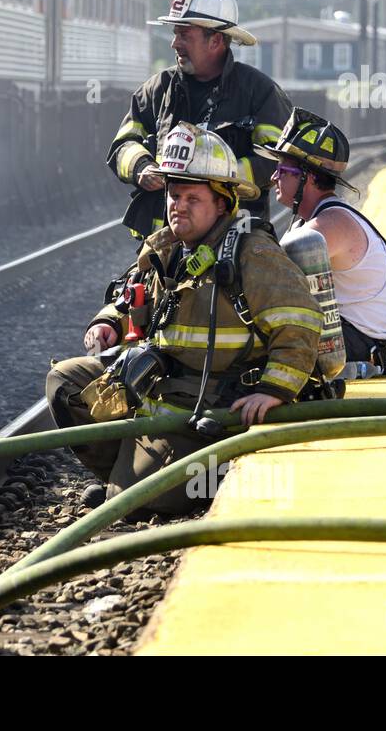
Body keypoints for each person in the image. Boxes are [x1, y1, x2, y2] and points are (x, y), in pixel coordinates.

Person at [47, 124, 322, 515]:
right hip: (156, 397)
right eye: (175, 196)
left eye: (193, 198)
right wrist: (107, 323)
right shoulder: (165, 248)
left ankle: (183, 480)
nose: (178, 206)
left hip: (211, 414)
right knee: (66, 380)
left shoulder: (252, 254)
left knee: (138, 503)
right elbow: (131, 298)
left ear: (223, 204)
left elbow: (301, 324)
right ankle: (123, 477)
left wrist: (274, 391)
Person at [108, 0, 291, 237]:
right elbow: (123, 144)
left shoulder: (259, 93)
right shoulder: (158, 89)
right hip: (163, 245)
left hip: (234, 240)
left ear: (215, 40)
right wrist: (141, 167)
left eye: (184, 34)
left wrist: (220, 176)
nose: (175, 43)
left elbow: (277, 161)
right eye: (175, 34)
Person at [258, 109, 386, 365]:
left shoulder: (332, 224)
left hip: (362, 343)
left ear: (309, 177)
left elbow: (272, 272)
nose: (273, 177)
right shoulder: (317, 217)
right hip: (358, 337)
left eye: (283, 169)